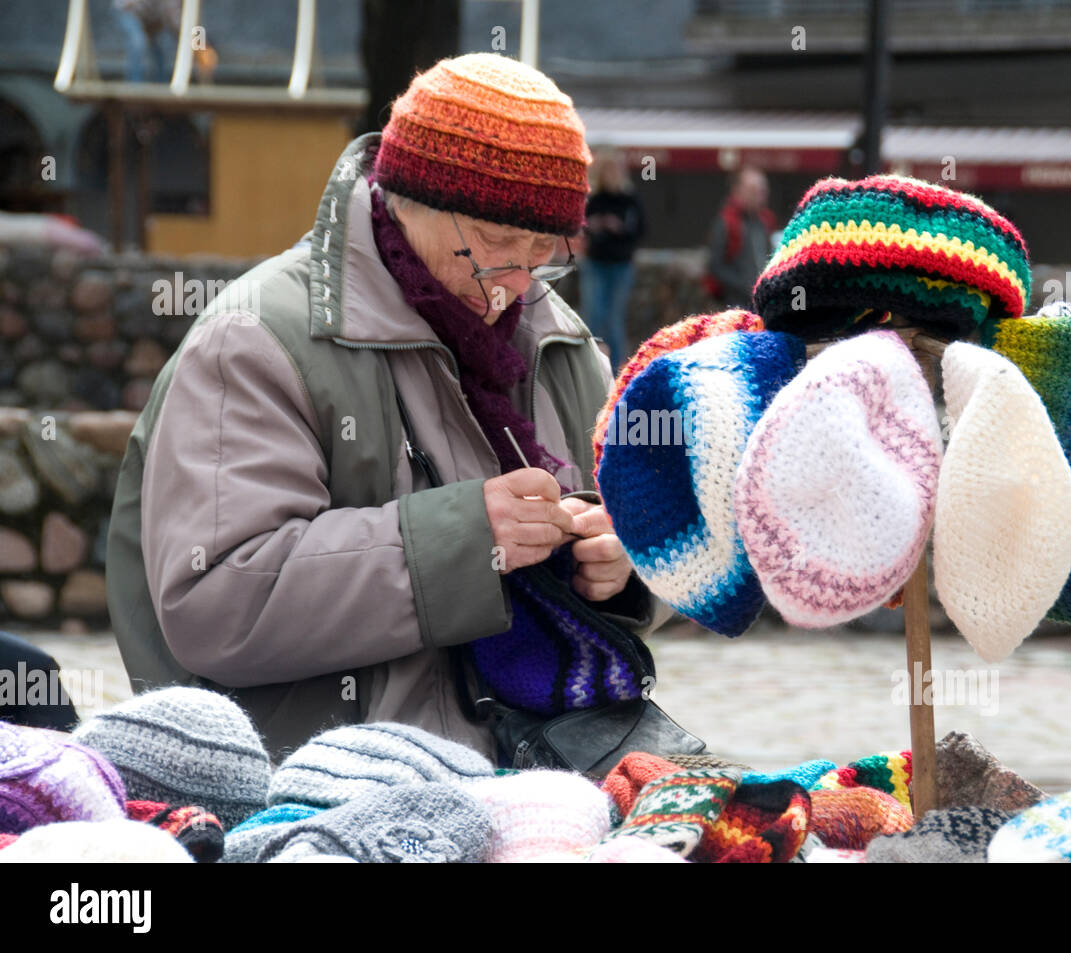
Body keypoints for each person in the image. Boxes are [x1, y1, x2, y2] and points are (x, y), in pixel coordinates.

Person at [105, 54, 672, 761]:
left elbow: (646, 536)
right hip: (318, 797)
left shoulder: (556, 337)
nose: (517, 282)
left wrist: (621, 566)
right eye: (498, 244)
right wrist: (466, 542)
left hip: (542, 785)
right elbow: (217, 598)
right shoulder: (254, 339)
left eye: (543, 252)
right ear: (412, 200)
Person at [580, 150, 646, 371]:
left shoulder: (630, 200)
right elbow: (582, 226)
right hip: (596, 262)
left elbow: (641, 230)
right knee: (593, 315)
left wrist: (620, 228)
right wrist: (596, 226)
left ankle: (617, 368)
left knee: (614, 319)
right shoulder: (595, 200)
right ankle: (590, 365)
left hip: (621, 264)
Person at [705, 165, 777, 309]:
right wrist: (745, 286)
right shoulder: (727, 222)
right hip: (732, 304)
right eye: (753, 191)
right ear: (738, 192)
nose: (760, 197)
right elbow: (715, 266)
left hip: (759, 302)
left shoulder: (765, 221)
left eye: (762, 191)